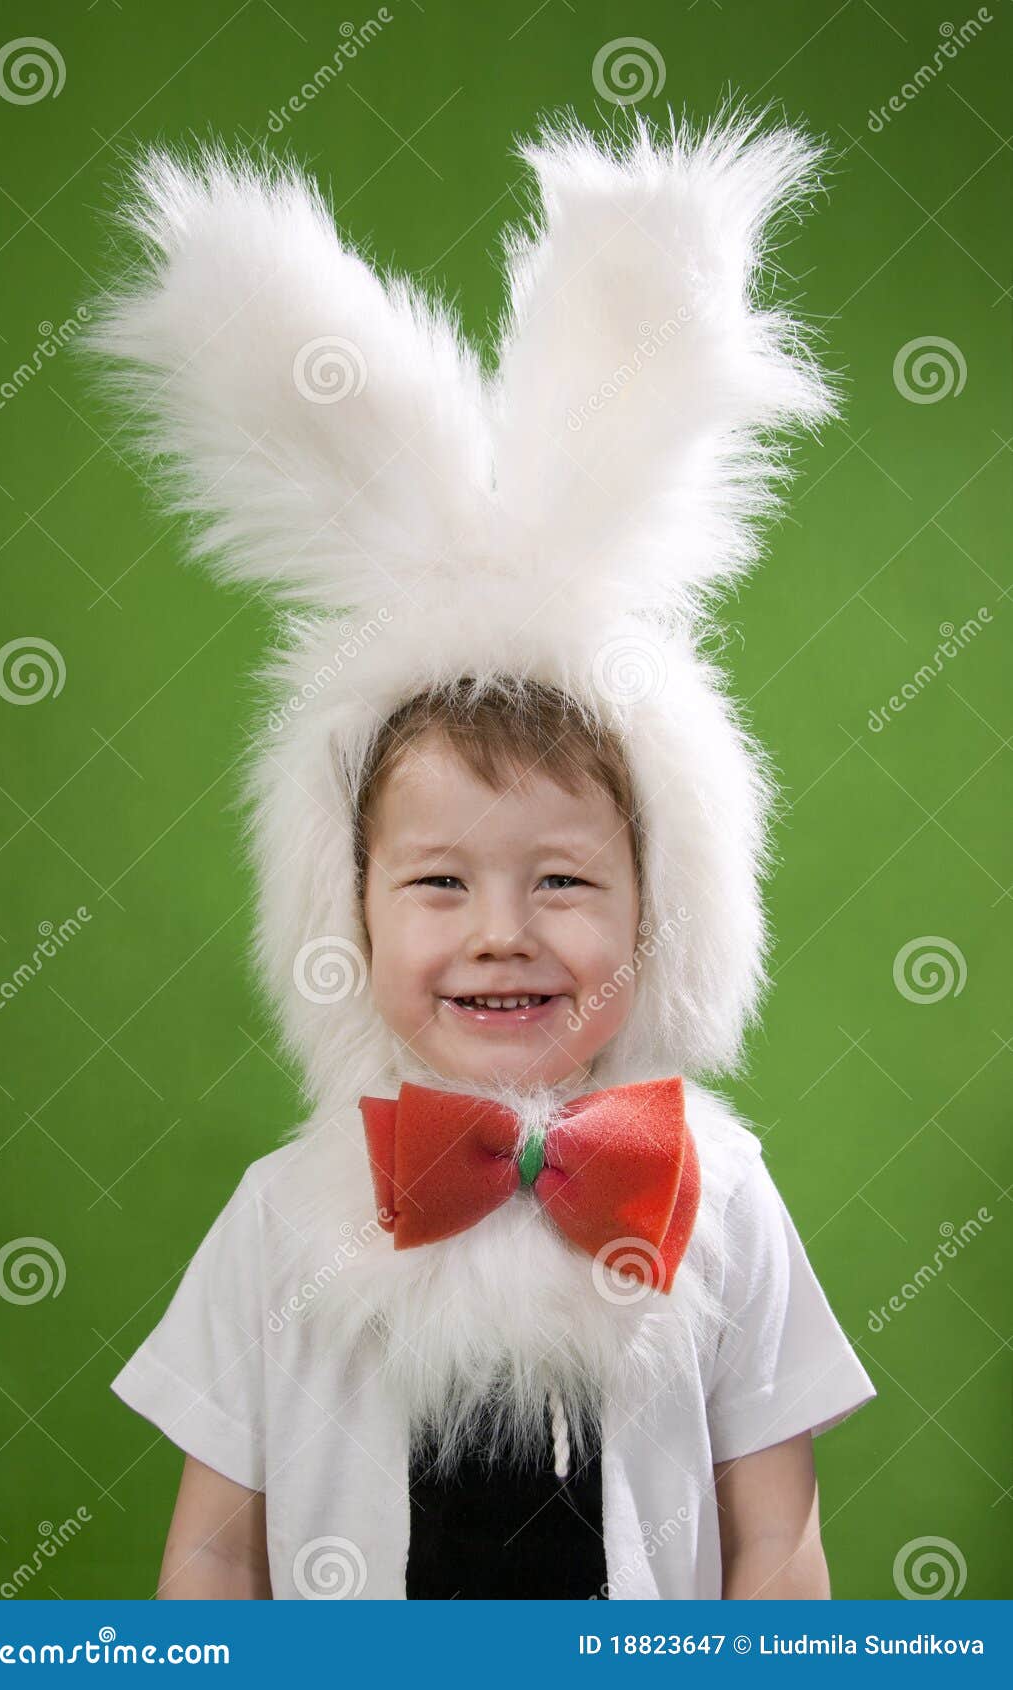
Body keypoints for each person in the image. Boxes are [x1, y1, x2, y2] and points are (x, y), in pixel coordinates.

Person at [80, 103, 877, 1601]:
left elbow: (777, 1532)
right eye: (439, 882)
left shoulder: (725, 1190)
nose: (501, 930)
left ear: (663, 913)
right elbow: (210, 1543)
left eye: (564, 880)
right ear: (349, 912)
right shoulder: (281, 1212)